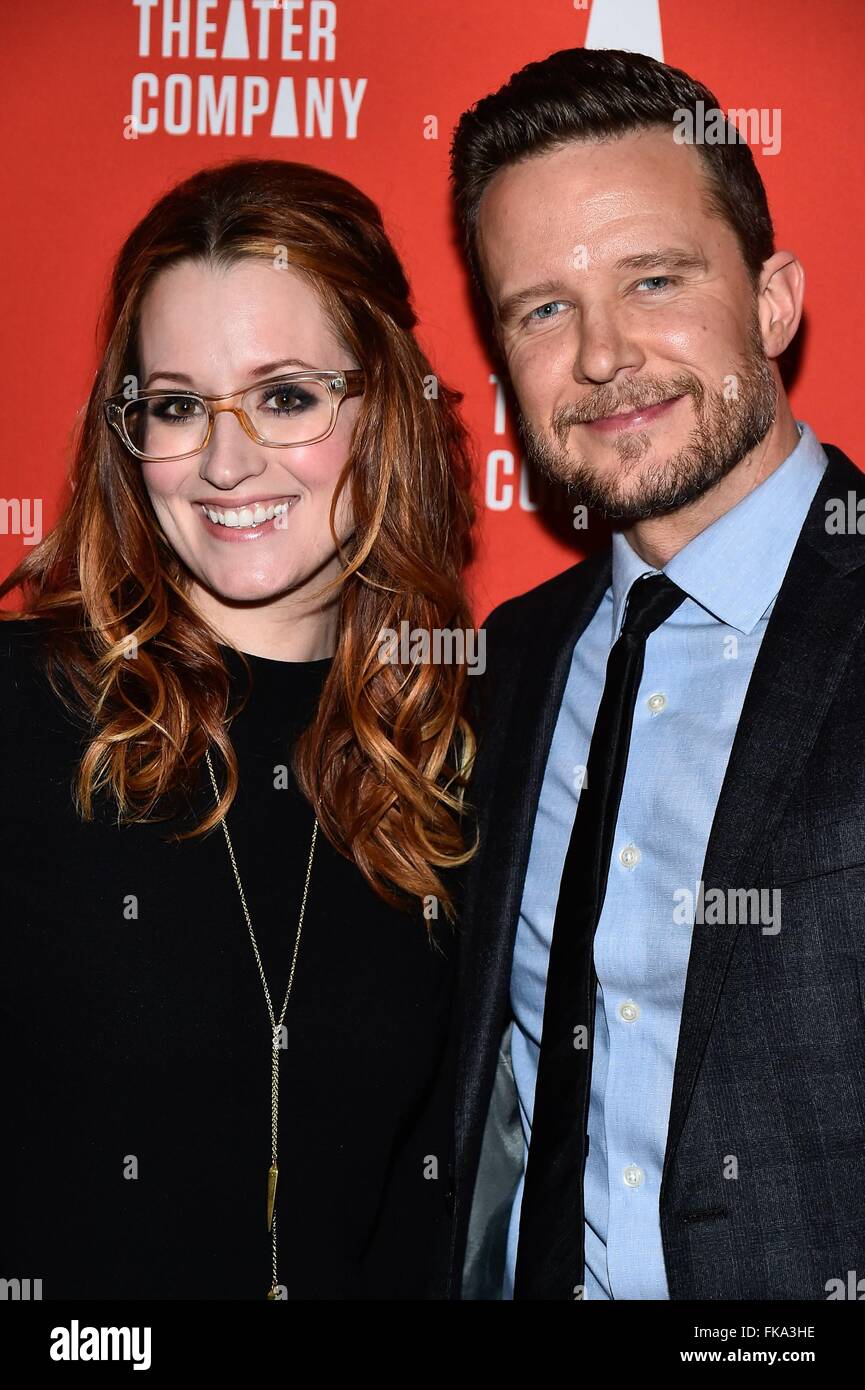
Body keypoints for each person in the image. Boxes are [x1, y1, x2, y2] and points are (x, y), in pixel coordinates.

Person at [0, 157, 477, 1300]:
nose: (225, 461)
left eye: (286, 395)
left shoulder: (460, 745)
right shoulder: (21, 711)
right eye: (175, 404)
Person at [445, 46, 865, 1300]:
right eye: (542, 308)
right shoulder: (502, 667)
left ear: (774, 301)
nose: (603, 355)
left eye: (654, 278)